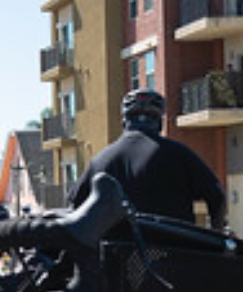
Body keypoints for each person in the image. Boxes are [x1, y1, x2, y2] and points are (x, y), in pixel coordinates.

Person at [70, 88, 226, 229]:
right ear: (159, 123)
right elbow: (217, 196)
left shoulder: (99, 161)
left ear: (124, 121)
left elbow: (75, 204)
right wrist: (216, 234)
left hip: (118, 257)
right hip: (175, 256)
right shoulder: (179, 154)